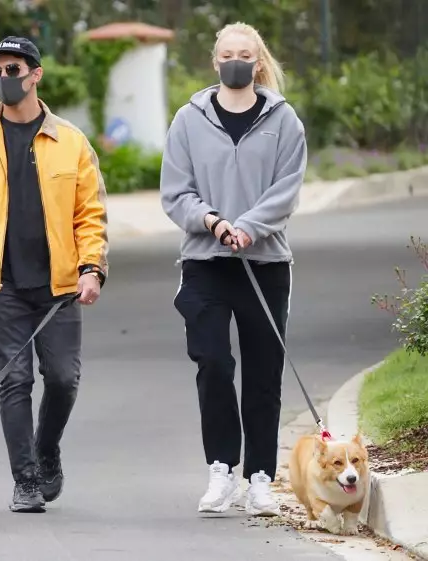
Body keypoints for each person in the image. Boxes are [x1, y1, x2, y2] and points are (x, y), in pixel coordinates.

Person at [0, 36, 109, 513]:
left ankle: (47, 446)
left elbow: (89, 214)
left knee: (61, 379)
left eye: (12, 69)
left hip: (59, 287)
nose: (3, 79)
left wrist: (92, 267)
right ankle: (26, 479)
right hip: (3, 286)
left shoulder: (71, 142)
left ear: (35, 74)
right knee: (14, 381)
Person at [160, 22, 307, 517]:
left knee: (264, 374)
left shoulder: (284, 120)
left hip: (265, 263)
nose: (236, 62)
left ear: (258, 62)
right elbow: (175, 192)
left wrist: (248, 227)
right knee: (215, 364)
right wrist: (212, 222)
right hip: (205, 262)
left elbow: (286, 190)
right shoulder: (188, 119)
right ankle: (221, 469)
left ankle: (261, 477)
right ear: (215, 61)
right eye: (227, 54)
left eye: (245, 54)